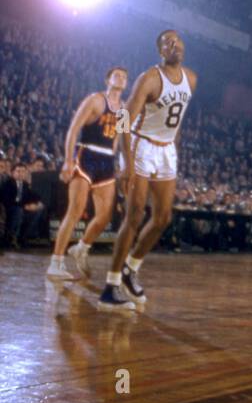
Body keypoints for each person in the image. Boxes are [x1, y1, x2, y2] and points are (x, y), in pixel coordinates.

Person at [97, 30, 195, 314]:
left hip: (166, 149)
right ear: (160, 51)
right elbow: (125, 117)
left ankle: (131, 268)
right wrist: (125, 163)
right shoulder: (149, 78)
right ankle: (110, 287)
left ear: (184, 47)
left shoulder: (192, 79)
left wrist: (173, 150)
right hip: (140, 146)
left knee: (163, 218)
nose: (174, 45)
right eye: (167, 43)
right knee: (135, 215)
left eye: (177, 41)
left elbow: (175, 120)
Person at [47, 66, 128, 282]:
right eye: (117, 75)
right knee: (75, 210)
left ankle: (82, 247)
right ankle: (56, 262)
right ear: (107, 79)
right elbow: (73, 129)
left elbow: (120, 141)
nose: (121, 78)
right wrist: (67, 160)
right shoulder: (94, 100)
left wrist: (121, 165)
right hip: (87, 155)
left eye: (124, 76)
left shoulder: (125, 110)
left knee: (104, 217)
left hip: (107, 161)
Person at [1, 162, 45, 250]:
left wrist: (38, 203)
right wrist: (24, 206)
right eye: (18, 171)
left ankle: (23, 237)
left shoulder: (24, 185)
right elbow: (7, 200)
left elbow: (34, 196)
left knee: (38, 210)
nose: (21, 174)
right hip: (9, 209)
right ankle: (12, 239)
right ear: (12, 173)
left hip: (21, 208)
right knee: (19, 211)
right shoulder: (8, 184)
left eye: (23, 171)